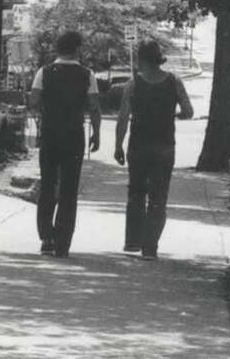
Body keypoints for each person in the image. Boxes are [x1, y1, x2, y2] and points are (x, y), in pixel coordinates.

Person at [114, 39, 194, 260]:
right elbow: (188, 111)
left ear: (141, 59)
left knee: (136, 192)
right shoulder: (174, 82)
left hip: (138, 145)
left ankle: (132, 241)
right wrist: (172, 115)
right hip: (165, 146)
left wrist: (118, 145)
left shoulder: (134, 84)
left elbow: (122, 118)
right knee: (158, 197)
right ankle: (150, 247)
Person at [29, 31, 101, 257]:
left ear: (58, 49)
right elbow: (95, 107)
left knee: (48, 185)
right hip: (74, 136)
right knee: (69, 189)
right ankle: (63, 242)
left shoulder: (44, 72)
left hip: (50, 134)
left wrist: (44, 111)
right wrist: (96, 133)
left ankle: (46, 237)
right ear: (77, 49)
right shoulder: (87, 75)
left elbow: (33, 101)